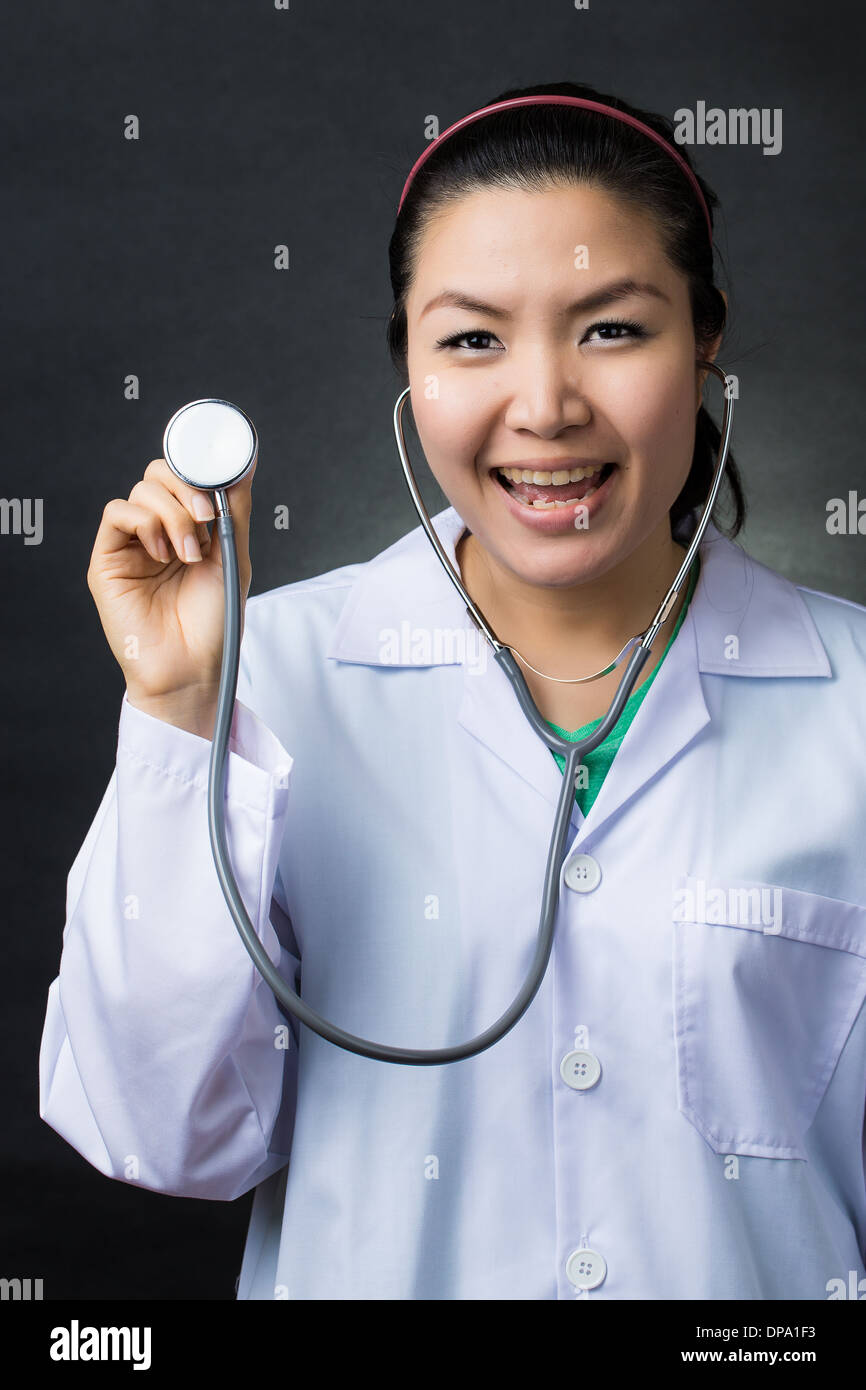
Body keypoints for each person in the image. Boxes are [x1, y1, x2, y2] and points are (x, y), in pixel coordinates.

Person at [39, 80, 866, 1301]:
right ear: (408, 366)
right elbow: (161, 1136)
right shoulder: (263, 680)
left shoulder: (848, 704)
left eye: (612, 329)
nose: (542, 406)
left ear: (704, 342)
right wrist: (177, 713)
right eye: (471, 338)